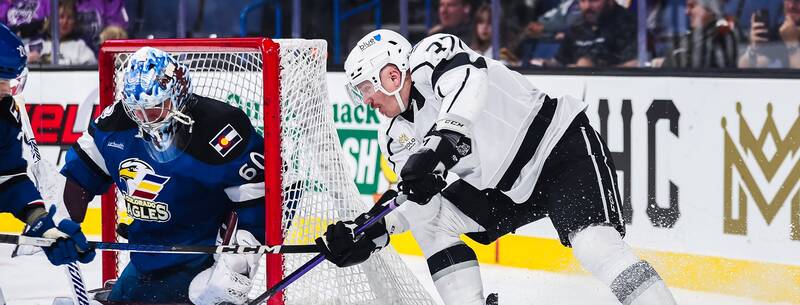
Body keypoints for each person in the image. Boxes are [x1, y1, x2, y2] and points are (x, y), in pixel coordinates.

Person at [318, 29, 678, 305]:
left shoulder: (431, 56)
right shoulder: (397, 135)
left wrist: (442, 145)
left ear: (391, 74)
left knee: (596, 247)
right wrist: (369, 231)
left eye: (366, 87)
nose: (367, 100)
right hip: (507, 187)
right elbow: (415, 200)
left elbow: (469, 82)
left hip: (559, 150)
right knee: (434, 220)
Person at [58, 46, 266, 304]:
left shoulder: (219, 130)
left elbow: (262, 196)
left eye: (156, 108)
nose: (147, 120)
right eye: (137, 110)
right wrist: (64, 223)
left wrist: (239, 260)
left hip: (200, 259)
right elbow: (80, 172)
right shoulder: (116, 123)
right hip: (147, 257)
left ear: (179, 95)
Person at [0, 23, 94, 266]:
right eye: (0, 80)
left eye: (9, 81)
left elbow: (8, 180)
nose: (6, 90)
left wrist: (40, 220)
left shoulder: (4, 118)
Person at [654, 0, 739, 68]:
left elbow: (698, 63)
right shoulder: (690, 37)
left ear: (710, 10)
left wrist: (669, 61)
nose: (686, 12)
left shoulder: (723, 35)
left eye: (692, 6)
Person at [552, 0, 638, 67]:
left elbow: (634, 64)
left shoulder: (628, 23)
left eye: (594, 0)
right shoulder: (576, 26)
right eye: (582, 1)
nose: (587, 6)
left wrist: (592, 70)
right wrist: (544, 64)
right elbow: (560, 61)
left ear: (610, 1)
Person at [27, 0, 96, 65]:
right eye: (61, 17)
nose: (65, 22)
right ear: (52, 19)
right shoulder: (35, 44)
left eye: (69, 18)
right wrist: (28, 60)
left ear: (74, 22)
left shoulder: (80, 46)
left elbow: (92, 68)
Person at [738, 0, 800, 68]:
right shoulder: (780, 31)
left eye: (797, 1)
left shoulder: (787, 36)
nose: (791, 6)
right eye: (788, 1)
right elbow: (743, 68)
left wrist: (792, 44)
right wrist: (753, 50)